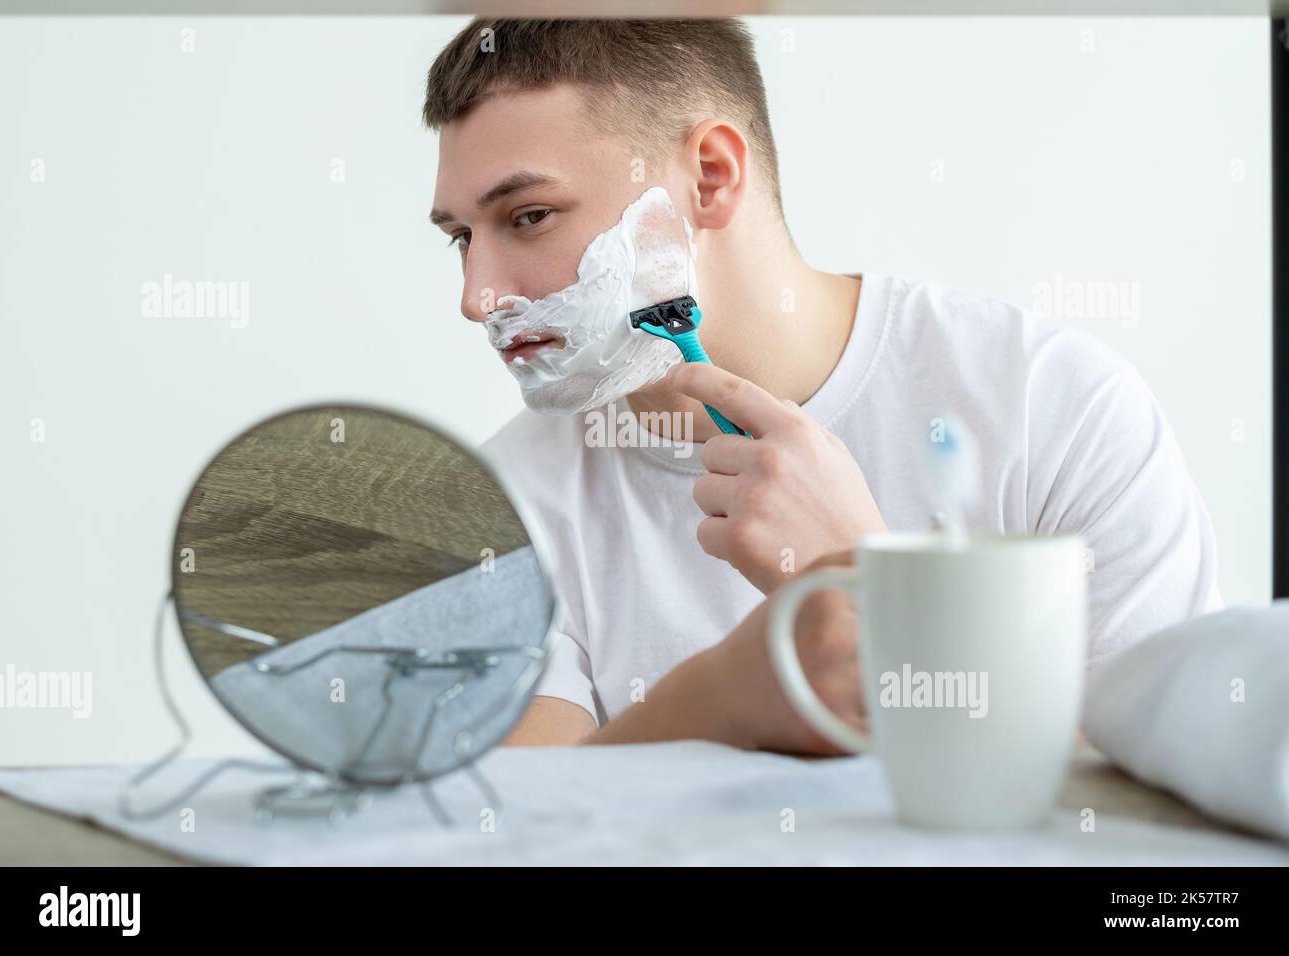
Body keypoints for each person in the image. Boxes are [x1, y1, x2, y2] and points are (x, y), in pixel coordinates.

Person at [424, 17, 1222, 752]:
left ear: (709, 176)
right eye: (461, 238)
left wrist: (865, 583)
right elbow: (526, 832)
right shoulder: (490, 511)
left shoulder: (1053, 407)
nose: (478, 299)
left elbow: (1157, 825)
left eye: (527, 216)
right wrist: (716, 697)